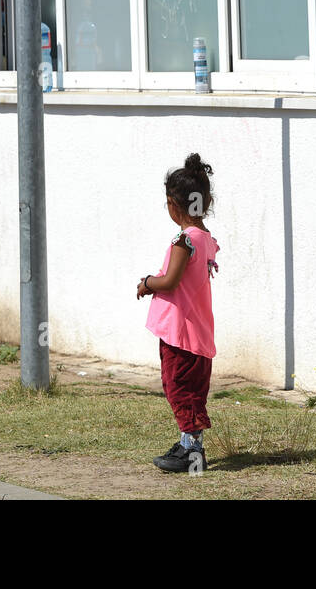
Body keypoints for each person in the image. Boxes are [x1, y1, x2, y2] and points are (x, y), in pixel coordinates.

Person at [137, 153, 219, 472]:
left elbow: (170, 281)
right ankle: (188, 446)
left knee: (179, 388)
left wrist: (147, 282)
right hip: (197, 333)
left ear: (174, 204)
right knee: (190, 391)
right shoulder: (205, 238)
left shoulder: (185, 240)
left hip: (180, 335)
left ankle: (191, 452)